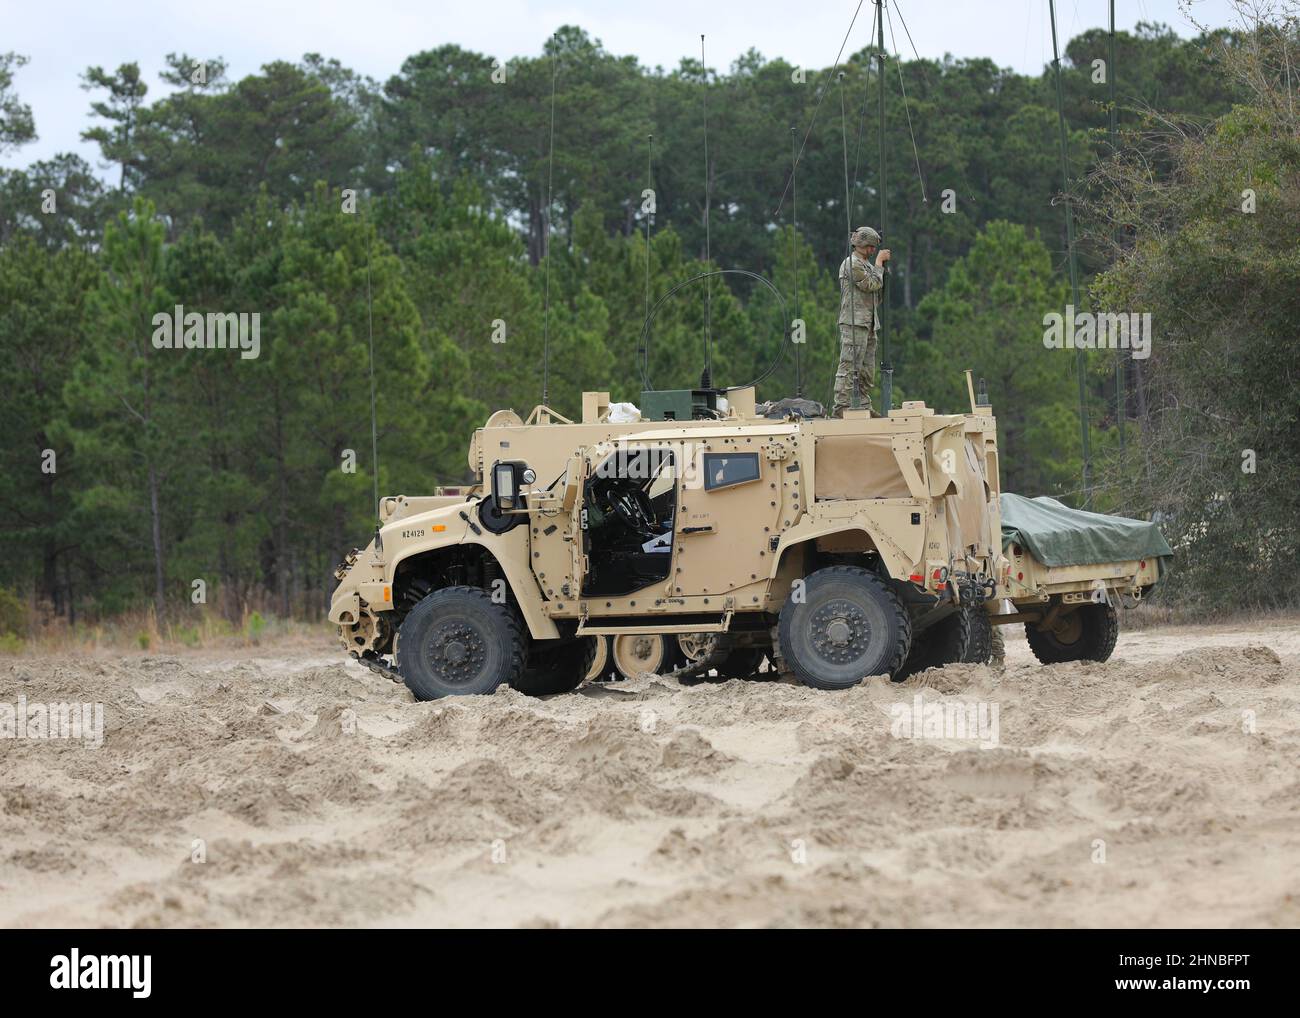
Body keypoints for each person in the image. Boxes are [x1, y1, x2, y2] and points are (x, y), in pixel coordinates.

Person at [834, 226, 890, 416]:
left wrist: (879, 269)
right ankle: (842, 405)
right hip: (854, 322)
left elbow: (877, 294)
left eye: (874, 248)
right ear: (860, 245)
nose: (872, 250)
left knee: (867, 369)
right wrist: (880, 264)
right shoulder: (852, 264)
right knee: (850, 365)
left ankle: (863, 403)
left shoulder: (865, 265)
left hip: (869, 322)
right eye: (869, 247)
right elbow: (871, 284)